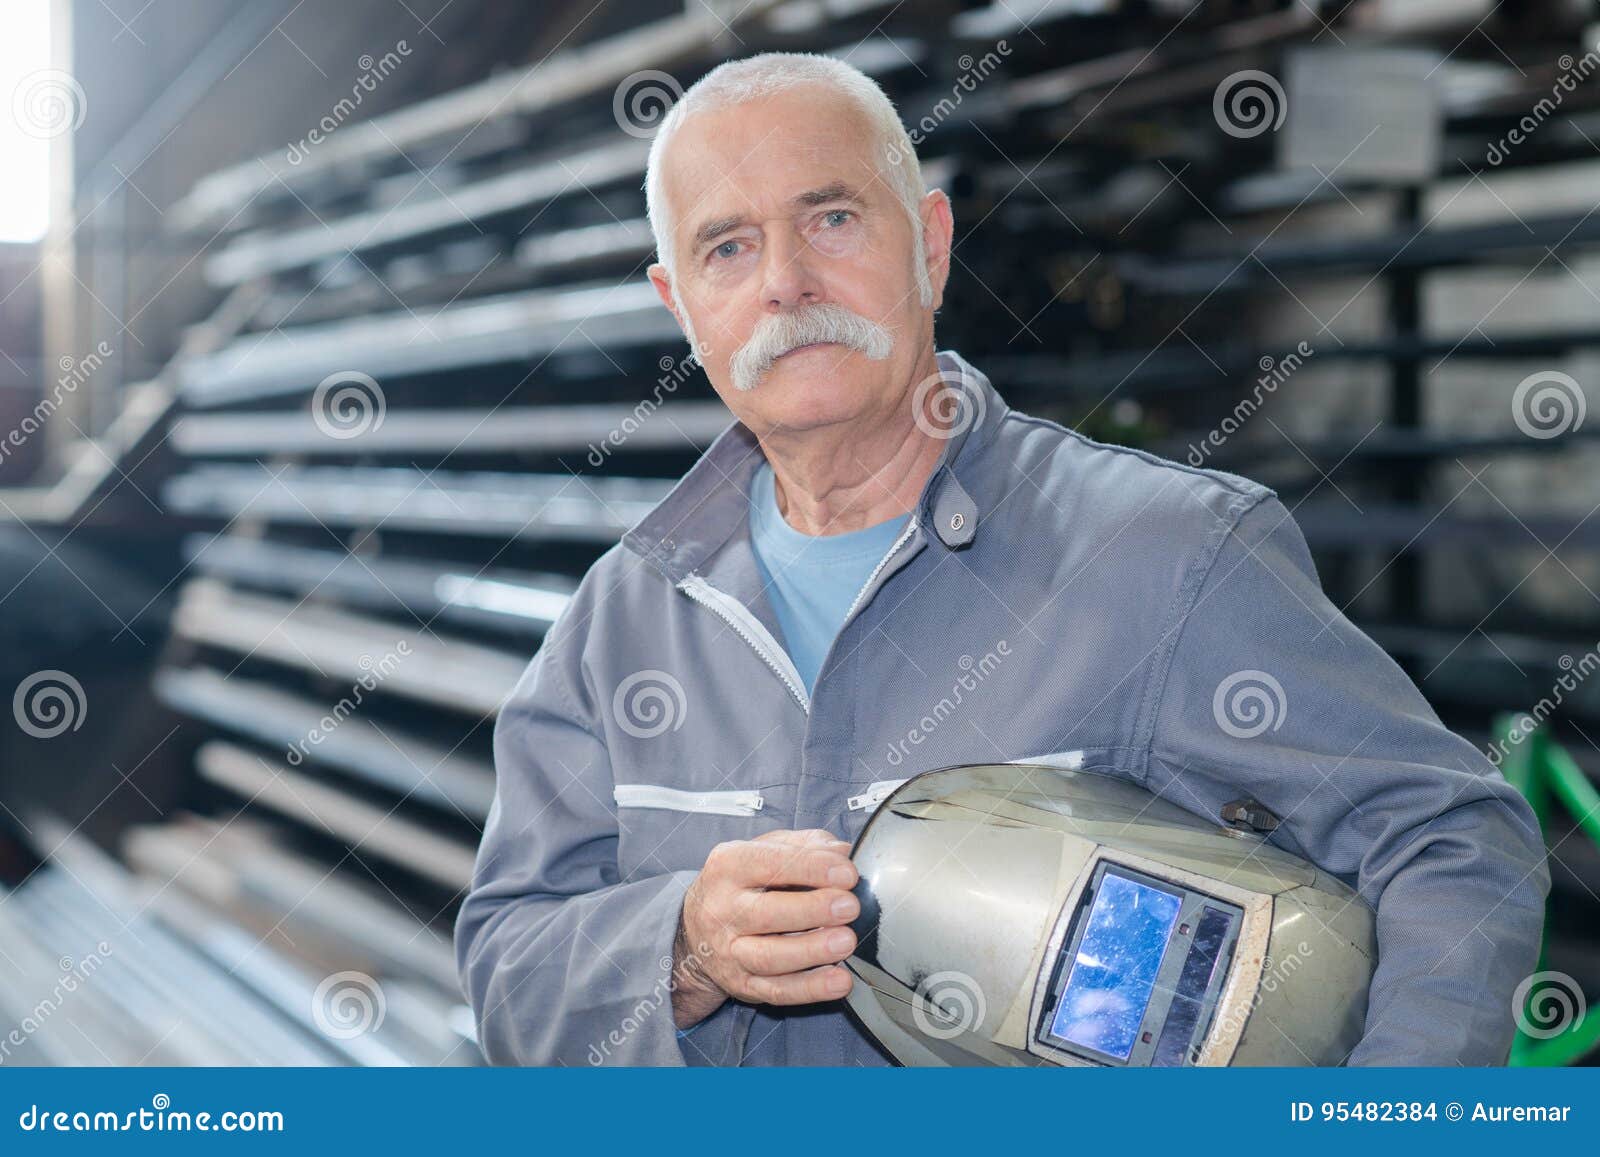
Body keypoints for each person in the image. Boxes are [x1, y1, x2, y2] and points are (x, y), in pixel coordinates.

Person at [455, 52, 1549, 1066]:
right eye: (727, 246)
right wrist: (680, 944)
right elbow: (506, 963)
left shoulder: (1159, 554)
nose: (784, 281)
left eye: (830, 217)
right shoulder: (622, 623)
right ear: (680, 306)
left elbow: (1451, 840)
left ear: (929, 245)